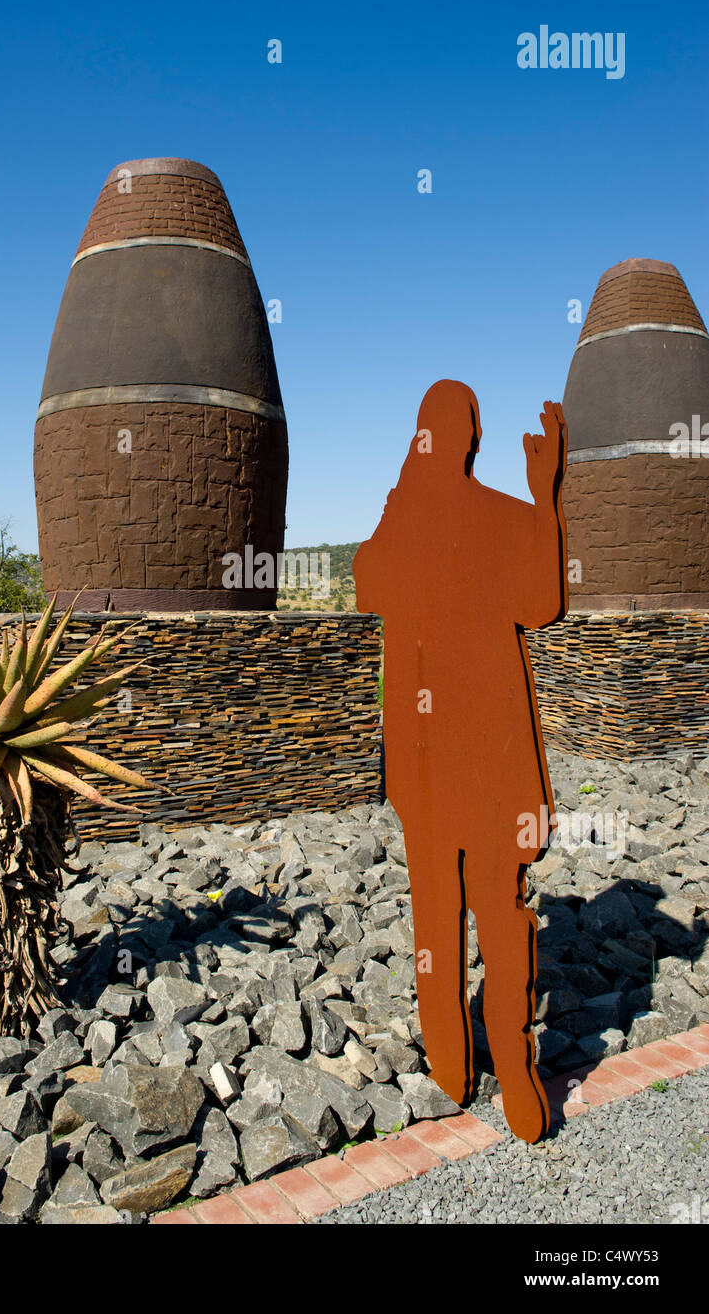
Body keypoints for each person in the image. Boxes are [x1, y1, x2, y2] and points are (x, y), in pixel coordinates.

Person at [353, 380, 568, 1142]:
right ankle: (512, 1066)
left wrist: (395, 503)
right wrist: (543, 498)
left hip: (425, 763)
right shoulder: (499, 518)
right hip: (492, 751)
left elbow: (363, 581)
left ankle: (449, 1060)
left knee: (433, 913)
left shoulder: (403, 525)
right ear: (473, 436)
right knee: (499, 907)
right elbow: (541, 601)